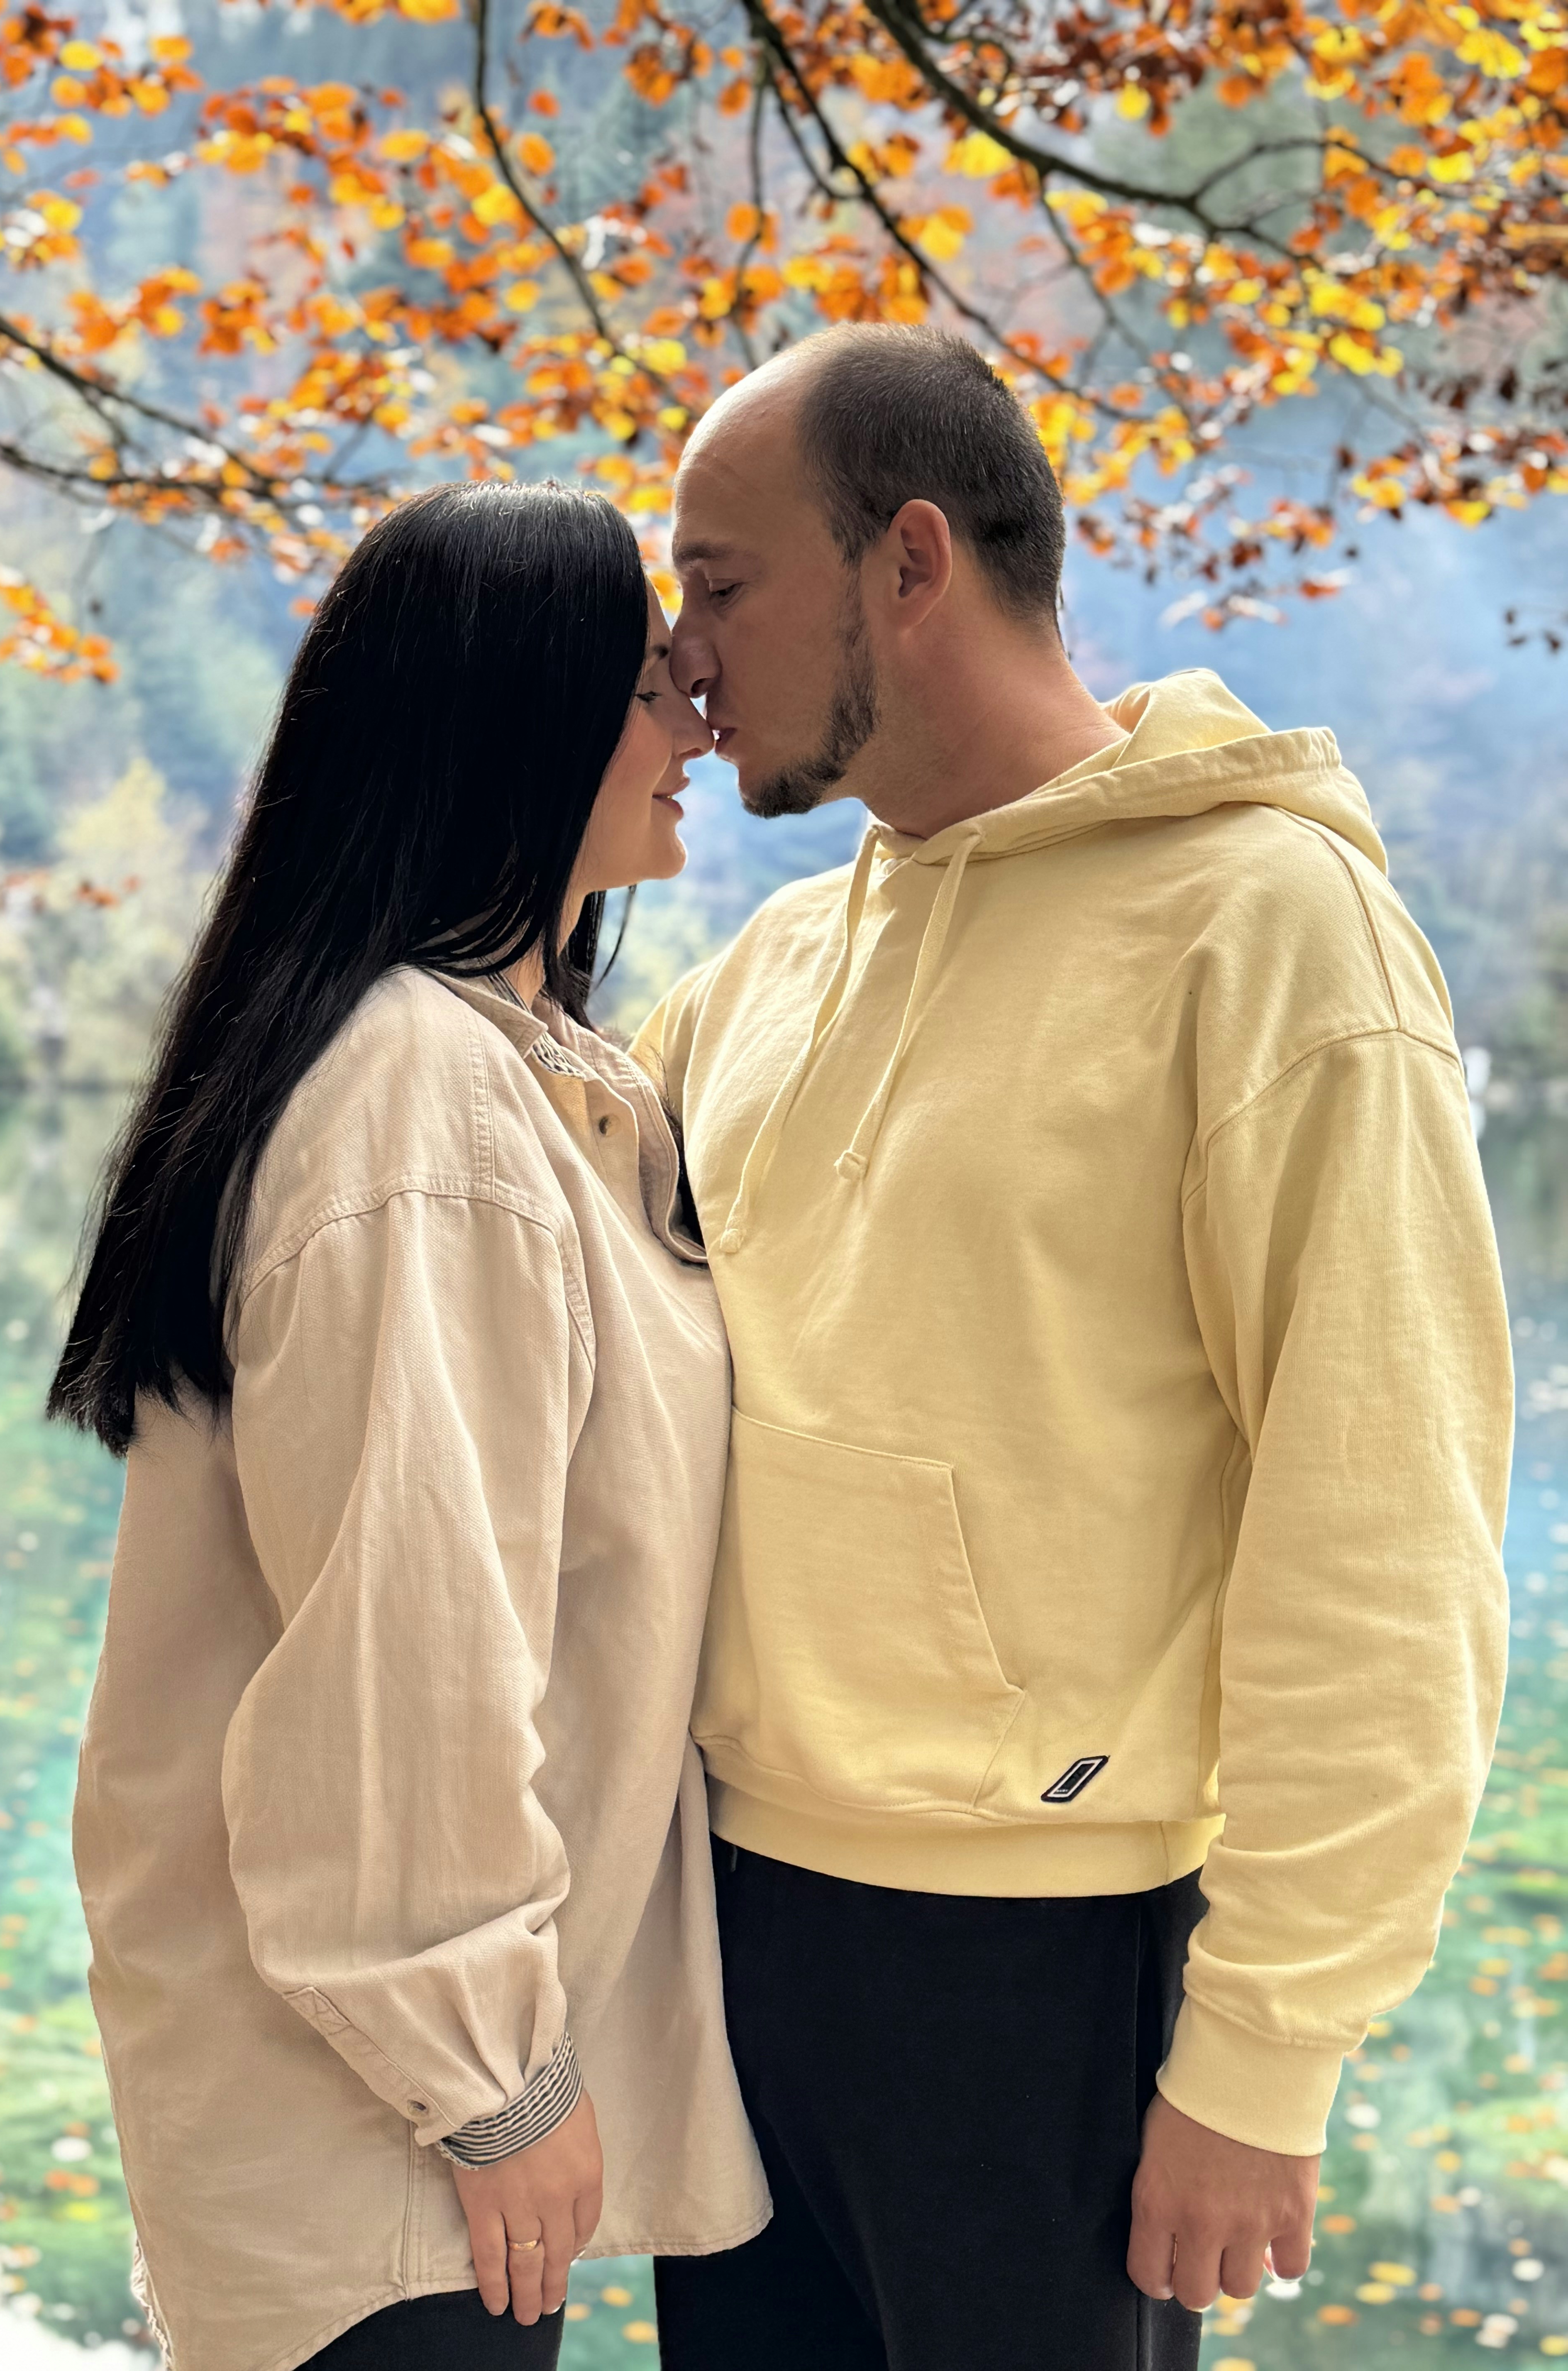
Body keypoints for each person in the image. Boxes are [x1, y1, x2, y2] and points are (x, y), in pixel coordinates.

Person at [635, 324, 1513, 2371]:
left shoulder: (1268, 932)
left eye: (723, 582)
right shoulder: (774, 959)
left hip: (1049, 1983)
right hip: (735, 1931)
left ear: (910, 564)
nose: (685, 660)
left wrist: (1266, 2058)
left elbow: (1384, 1530)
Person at [49, 481, 768, 2371]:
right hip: (376, 2133)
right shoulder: (422, 1111)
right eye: (641, 683)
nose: (694, 718)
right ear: (503, 719)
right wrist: (493, 2082)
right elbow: (408, 1657)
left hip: (387, 2103)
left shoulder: (516, 1074)